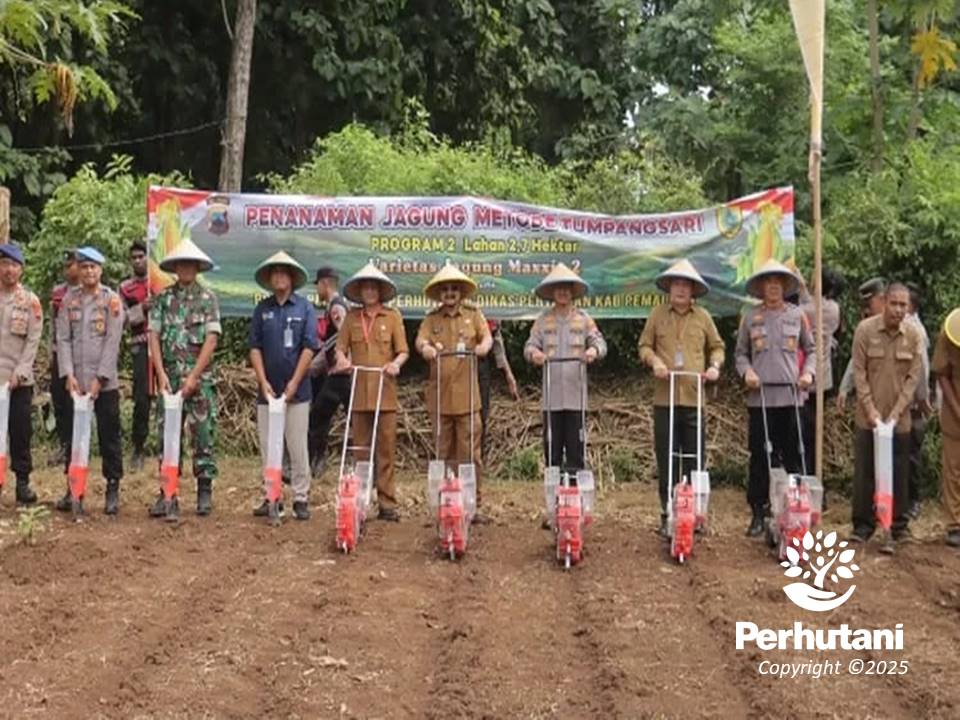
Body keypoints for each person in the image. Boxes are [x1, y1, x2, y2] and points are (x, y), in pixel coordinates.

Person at [638, 259, 724, 537]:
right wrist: (655, 363)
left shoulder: (703, 318)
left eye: (686, 285)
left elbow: (718, 347)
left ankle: (695, 512)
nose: (680, 289)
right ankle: (667, 512)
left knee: (695, 459)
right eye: (676, 283)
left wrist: (714, 366)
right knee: (667, 458)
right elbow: (644, 346)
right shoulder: (657, 314)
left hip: (693, 397)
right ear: (669, 288)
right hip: (665, 399)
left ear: (693, 291)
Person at [734, 259, 815, 537]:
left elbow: (812, 350)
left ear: (784, 286)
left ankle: (794, 512)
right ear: (760, 287)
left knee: (794, 456)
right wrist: (747, 373)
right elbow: (741, 354)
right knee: (760, 458)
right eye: (768, 282)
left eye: (778, 282)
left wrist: (808, 375)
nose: (773, 287)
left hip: (792, 398)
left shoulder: (797, 315)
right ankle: (758, 512)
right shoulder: (750, 317)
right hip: (761, 399)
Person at [148, 239, 221, 520]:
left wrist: (193, 376)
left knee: (202, 433)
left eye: (191, 264)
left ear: (198, 267)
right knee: (167, 434)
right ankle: (168, 491)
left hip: (199, 379)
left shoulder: (208, 299)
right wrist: (161, 373)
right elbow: (153, 336)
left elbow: (211, 340)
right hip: (169, 377)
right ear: (176, 268)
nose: (186, 268)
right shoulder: (163, 299)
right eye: (182, 264)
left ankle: (204, 489)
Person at [850, 282, 922, 553]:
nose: (898, 310)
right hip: (868, 419)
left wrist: (894, 415)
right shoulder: (865, 331)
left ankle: (897, 528)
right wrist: (871, 411)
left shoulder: (914, 336)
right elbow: (859, 373)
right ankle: (862, 526)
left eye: (904, 305)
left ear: (909, 307)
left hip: (899, 421)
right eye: (894, 303)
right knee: (865, 472)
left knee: (900, 474)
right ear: (884, 302)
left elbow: (913, 380)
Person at [415, 265, 492, 519]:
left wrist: (482, 347)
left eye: (454, 289)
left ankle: (473, 504)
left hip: (468, 398)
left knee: (471, 455)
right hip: (440, 399)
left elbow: (487, 338)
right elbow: (420, 341)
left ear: (460, 293)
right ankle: (444, 504)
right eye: (445, 289)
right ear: (440, 293)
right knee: (443, 453)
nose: (449, 293)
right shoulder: (431, 319)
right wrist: (425, 348)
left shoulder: (474, 315)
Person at [333, 263, 409, 521]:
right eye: (365, 286)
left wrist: (395, 364)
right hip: (358, 392)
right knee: (361, 450)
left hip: (384, 392)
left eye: (373, 286)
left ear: (380, 290)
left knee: (386, 449)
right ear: (359, 290)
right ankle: (360, 500)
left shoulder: (393, 317)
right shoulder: (352, 318)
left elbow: (403, 351)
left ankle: (387, 503)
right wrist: (342, 360)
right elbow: (340, 348)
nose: (369, 291)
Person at [54, 247, 125, 515]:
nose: (88, 272)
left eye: (93, 267)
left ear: (101, 270)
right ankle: (74, 488)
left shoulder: (111, 301)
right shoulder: (68, 300)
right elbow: (62, 339)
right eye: (84, 267)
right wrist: (68, 374)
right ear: (78, 270)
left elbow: (112, 342)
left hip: (105, 384)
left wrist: (100, 379)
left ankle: (112, 488)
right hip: (76, 384)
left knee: (109, 436)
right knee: (73, 437)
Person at [249, 251, 319, 522]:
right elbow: (254, 348)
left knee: (297, 444)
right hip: (267, 392)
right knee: (269, 445)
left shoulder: (304, 308)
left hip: (298, 393)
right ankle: (272, 496)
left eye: (283, 272)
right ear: (269, 279)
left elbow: (309, 348)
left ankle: (301, 497)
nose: (279, 277)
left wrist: (294, 383)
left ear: (291, 278)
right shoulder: (262, 309)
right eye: (274, 272)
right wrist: (262, 380)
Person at [524, 263, 606, 476]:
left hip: (576, 398)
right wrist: (535, 354)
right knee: (552, 452)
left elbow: (601, 343)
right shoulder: (542, 320)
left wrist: (593, 351)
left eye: (566, 287)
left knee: (576, 451)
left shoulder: (584, 319)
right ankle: (554, 499)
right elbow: (529, 346)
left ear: (572, 292)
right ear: (552, 292)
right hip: (551, 398)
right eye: (558, 288)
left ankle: (575, 498)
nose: (562, 292)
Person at [0, 243, 42, 505]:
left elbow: (33, 341)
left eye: (13, 265)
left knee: (20, 431)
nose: (8, 270)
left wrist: (20, 372)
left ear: (21, 270)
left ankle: (22, 483)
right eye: (4, 264)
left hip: (19, 382)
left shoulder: (30, 301)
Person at [308, 266, 349, 477]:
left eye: (318, 285)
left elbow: (343, 337)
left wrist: (315, 364)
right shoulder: (331, 307)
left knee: (319, 415)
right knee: (319, 416)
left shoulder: (336, 307)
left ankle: (320, 460)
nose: (317, 290)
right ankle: (318, 460)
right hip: (335, 372)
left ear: (325, 283)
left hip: (343, 374)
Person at [119, 239, 152, 471]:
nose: (139, 260)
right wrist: (142, 309)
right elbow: (121, 319)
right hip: (140, 346)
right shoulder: (125, 288)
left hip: (165, 345)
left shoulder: (161, 282)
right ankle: (138, 448)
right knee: (141, 398)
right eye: (135, 257)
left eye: (142, 256)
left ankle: (171, 447)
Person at [931, 307, 960, 548]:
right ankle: (955, 525)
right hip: (956, 415)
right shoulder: (951, 328)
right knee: (954, 470)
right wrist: (957, 410)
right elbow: (942, 373)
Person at [836, 277, 887, 410]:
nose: (867, 310)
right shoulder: (867, 327)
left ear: (882, 299)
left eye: (869, 304)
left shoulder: (900, 324)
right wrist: (844, 388)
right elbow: (857, 358)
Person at [48, 249, 79, 464]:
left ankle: (79, 444)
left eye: (72, 264)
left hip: (82, 357)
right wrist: (52, 352)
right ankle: (64, 444)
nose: (69, 269)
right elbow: (53, 325)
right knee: (60, 402)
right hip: (59, 355)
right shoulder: (58, 293)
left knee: (78, 403)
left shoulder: (89, 291)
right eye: (66, 266)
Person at [905, 283, 931, 519]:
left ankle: (913, 501)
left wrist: (922, 398)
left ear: (910, 306)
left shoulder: (915, 331)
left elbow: (921, 368)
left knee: (911, 455)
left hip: (912, 406)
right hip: (899, 404)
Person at [478, 318, 519, 463]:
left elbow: (497, 343)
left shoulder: (492, 311)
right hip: (456, 364)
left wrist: (508, 375)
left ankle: (477, 460)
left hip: (481, 363)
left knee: (481, 414)